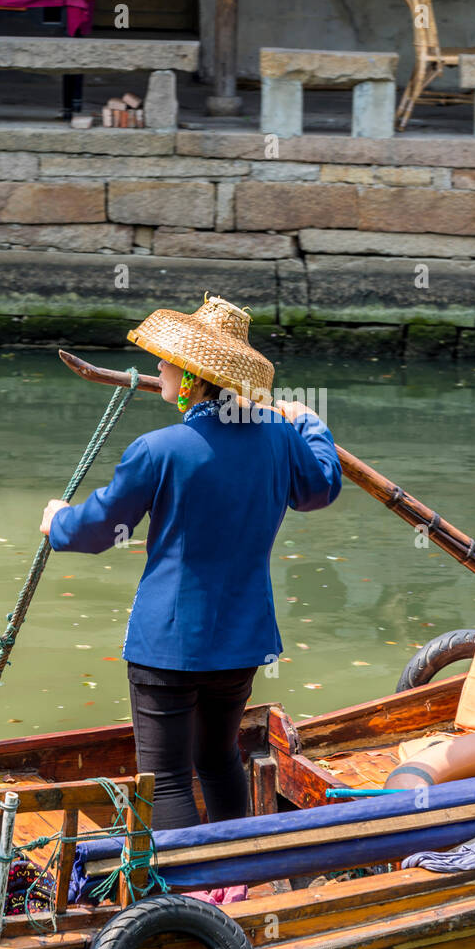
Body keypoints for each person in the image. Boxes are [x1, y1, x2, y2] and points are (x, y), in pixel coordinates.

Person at [40, 295, 341, 835]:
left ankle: (184, 904)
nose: (159, 368)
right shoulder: (279, 439)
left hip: (168, 645)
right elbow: (320, 487)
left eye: (168, 362)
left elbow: (98, 530)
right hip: (242, 642)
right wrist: (310, 424)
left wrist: (57, 521)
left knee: (169, 777)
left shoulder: (159, 449)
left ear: (196, 378)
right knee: (219, 758)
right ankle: (234, 886)